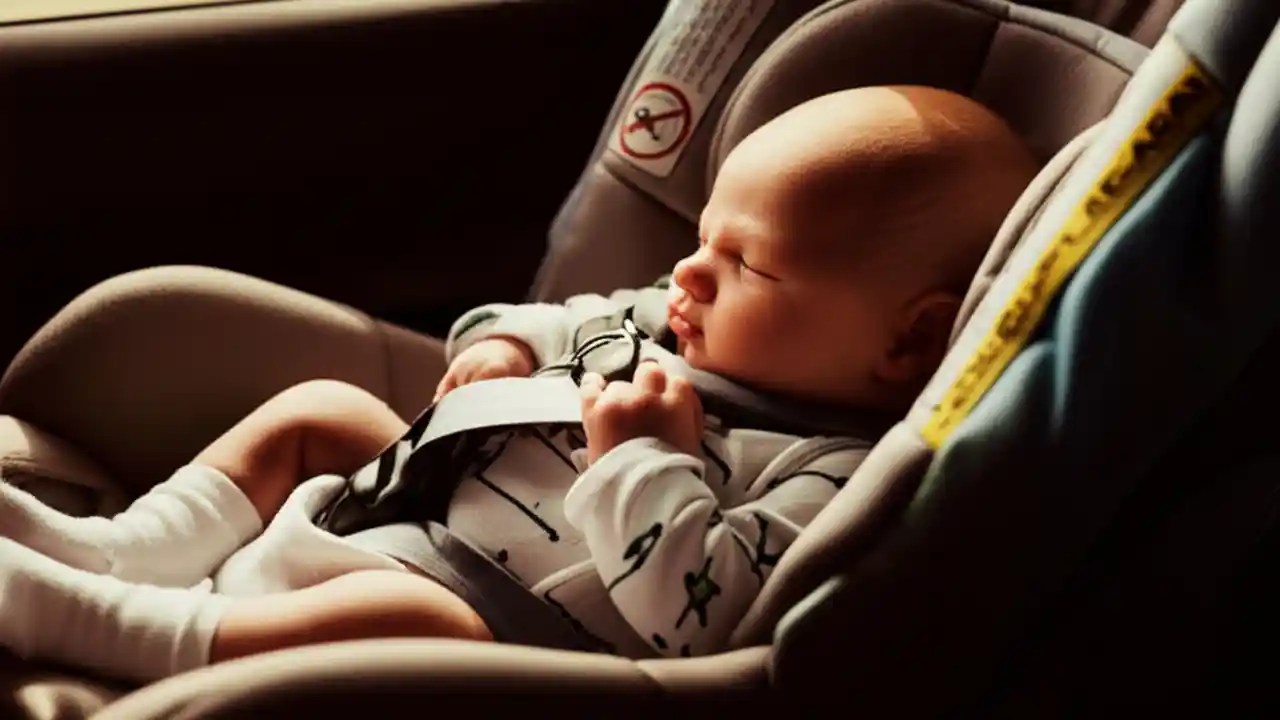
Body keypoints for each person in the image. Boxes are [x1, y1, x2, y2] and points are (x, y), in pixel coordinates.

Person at [0, 85, 1038, 682]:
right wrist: (499, 343)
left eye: (745, 263)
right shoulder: (673, 325)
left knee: (419, 625)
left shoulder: (826, 477)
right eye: (700, 236)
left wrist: (644, 460)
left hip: (484, 628)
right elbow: (564, 320)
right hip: (401, 505)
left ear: (908, 345)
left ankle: (99, 627)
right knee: (320, 410)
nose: (687, 273)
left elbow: (699, 620)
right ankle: (119, 553)